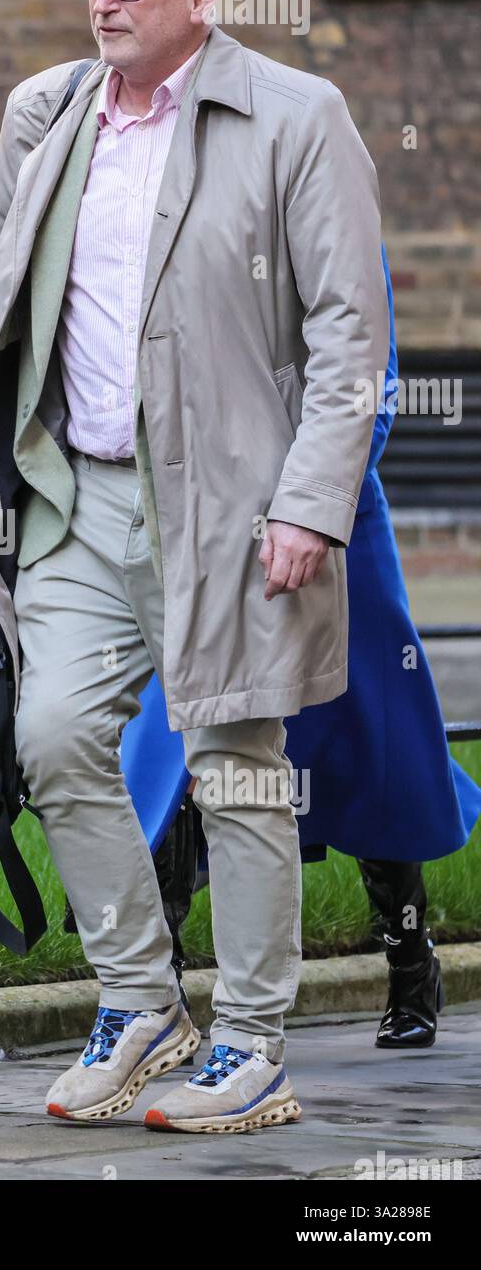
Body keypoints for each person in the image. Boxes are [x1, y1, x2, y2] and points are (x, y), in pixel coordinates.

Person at [0, 0, 390, 1133]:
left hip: (230, 507)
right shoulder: (44, 113)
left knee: (237, 765)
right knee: (50, 735)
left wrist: (310, 501)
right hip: (78, 493)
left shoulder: (295, 117)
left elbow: (350, 332)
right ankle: (139, 1002)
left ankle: (250, 1042)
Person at [123, 246, 481, 1049]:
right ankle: (164, 985)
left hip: (333, 525)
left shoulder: (328, 193)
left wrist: (316, 509)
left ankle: (409, 954)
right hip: (206, 523)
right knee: (181, 744)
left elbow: (369, 383)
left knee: (370, 751)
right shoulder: (179, 202)